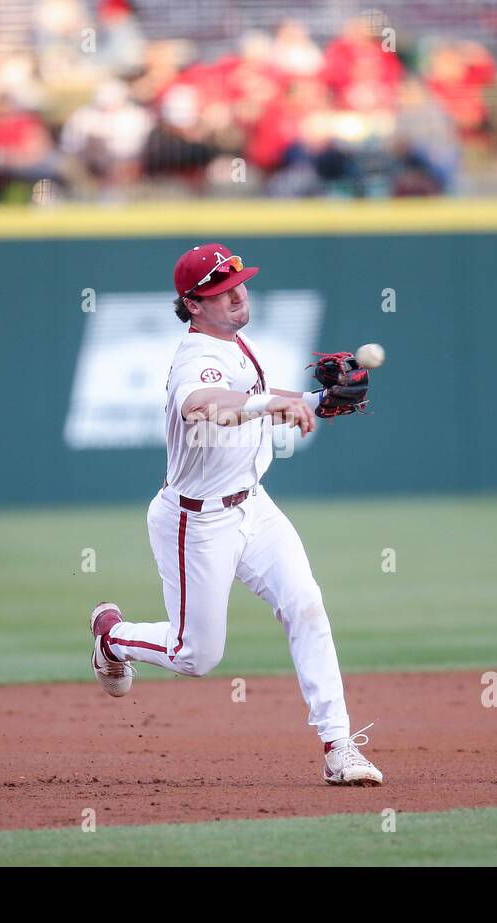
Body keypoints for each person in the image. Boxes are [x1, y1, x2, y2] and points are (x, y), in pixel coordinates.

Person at [88, 243, 384, 786]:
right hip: (196, 521)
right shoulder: (195, 357)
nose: (237, 294)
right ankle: (113, 638)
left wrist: (319, 401)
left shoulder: (236, 345)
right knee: (196, 655)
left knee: (307, 606)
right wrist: (273, 405)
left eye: (239, 282)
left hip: (255, 506)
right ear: (193, 304)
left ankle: (339, 747)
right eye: (221, 290)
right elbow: (206, 406)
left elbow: (254, 399)